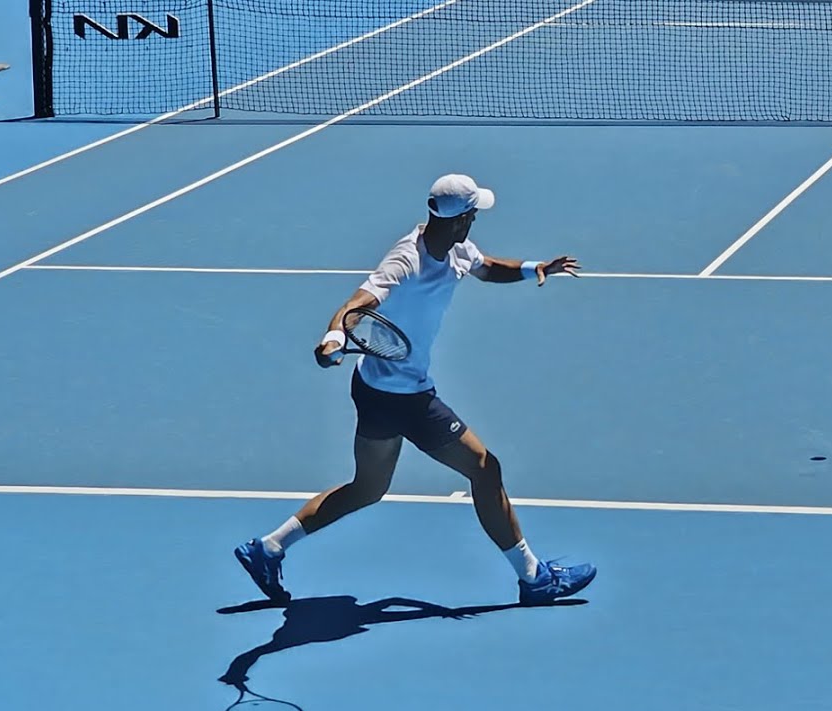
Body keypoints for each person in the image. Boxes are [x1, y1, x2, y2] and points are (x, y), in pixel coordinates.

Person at [235, 174, 597, 606]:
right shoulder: (405, 260)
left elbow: (484, 267)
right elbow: (357, 304)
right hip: (407, 400)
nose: (476, 220)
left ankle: (269, 548)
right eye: (474, 213)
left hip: (371, 389)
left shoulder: (457, 247)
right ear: (461, 219)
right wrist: (334, 337)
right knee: (485, 468)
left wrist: (530, 268)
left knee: (367, 489)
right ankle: (535, 579)